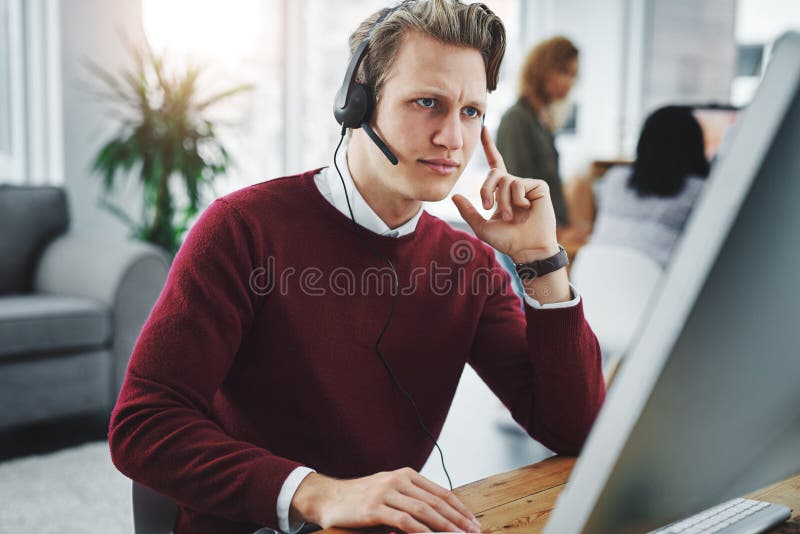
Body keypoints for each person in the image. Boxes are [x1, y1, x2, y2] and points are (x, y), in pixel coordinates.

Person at [108, 2, 605, 533]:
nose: (453, 140)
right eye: (427, 103)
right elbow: (143, 424)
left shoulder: (469, 265)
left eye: (470, 112)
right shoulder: (242, 229)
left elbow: (575, 431)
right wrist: (317, 493)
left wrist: (540, 262)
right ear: (357, 103)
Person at [589, 105, 710, 268]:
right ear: (693, 145)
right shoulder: (698, 190)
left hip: (595, 278)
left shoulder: (615, 178)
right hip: (656, 286)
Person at [495, 36, 579, 229]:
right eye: (564, 72)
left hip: (551, 231)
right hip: (530, 236)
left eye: (574, 75)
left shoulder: (543, 122)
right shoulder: (516, 119)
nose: (570, 82)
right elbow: (519, 192)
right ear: (542, 70)